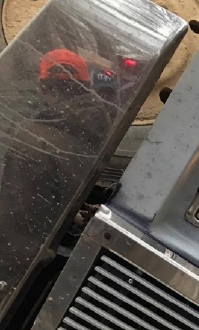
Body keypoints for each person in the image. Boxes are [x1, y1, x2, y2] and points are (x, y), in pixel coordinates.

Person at [0, 47, 114, 316]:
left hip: (12, 268)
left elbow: (14, 222)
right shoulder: (99, 133)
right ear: (85, 86)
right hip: (44, 269)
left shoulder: (31, 140)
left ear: (43, 87)